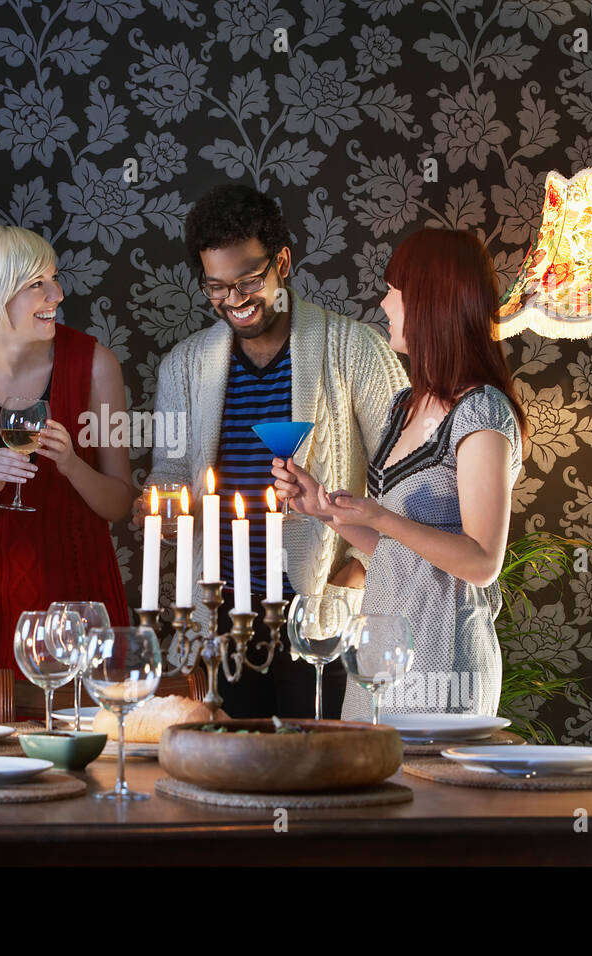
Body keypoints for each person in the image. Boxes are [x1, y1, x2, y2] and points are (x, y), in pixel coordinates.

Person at [140, 184, 409, 719]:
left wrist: (356, 567)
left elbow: (403, 473)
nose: (234, 301)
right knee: (229, 776)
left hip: (322, 610)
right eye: (216, 287)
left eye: (247, 281)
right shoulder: (184, 366)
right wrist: (164, 506)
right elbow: (168, 470)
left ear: (282, 262)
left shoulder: (356, 350)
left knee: (320, 776)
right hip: (221, 614)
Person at [273, 228, 527, 719]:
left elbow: (481, 563)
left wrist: (382, 518)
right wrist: (324, 509)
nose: (385, 303)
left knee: (426, 794)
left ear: (431, 304)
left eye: (396, 291)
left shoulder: (482, 414)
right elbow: (400, 556)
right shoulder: (402, 408)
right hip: (380, 653)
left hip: (444, 662)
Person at [0, 225, 136, 721]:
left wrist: (71, 464)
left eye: (54, 279)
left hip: (82, 602)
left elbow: (119, 503)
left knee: (94, 767)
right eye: (36, 284)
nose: (57, 295)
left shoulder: (96, 364)